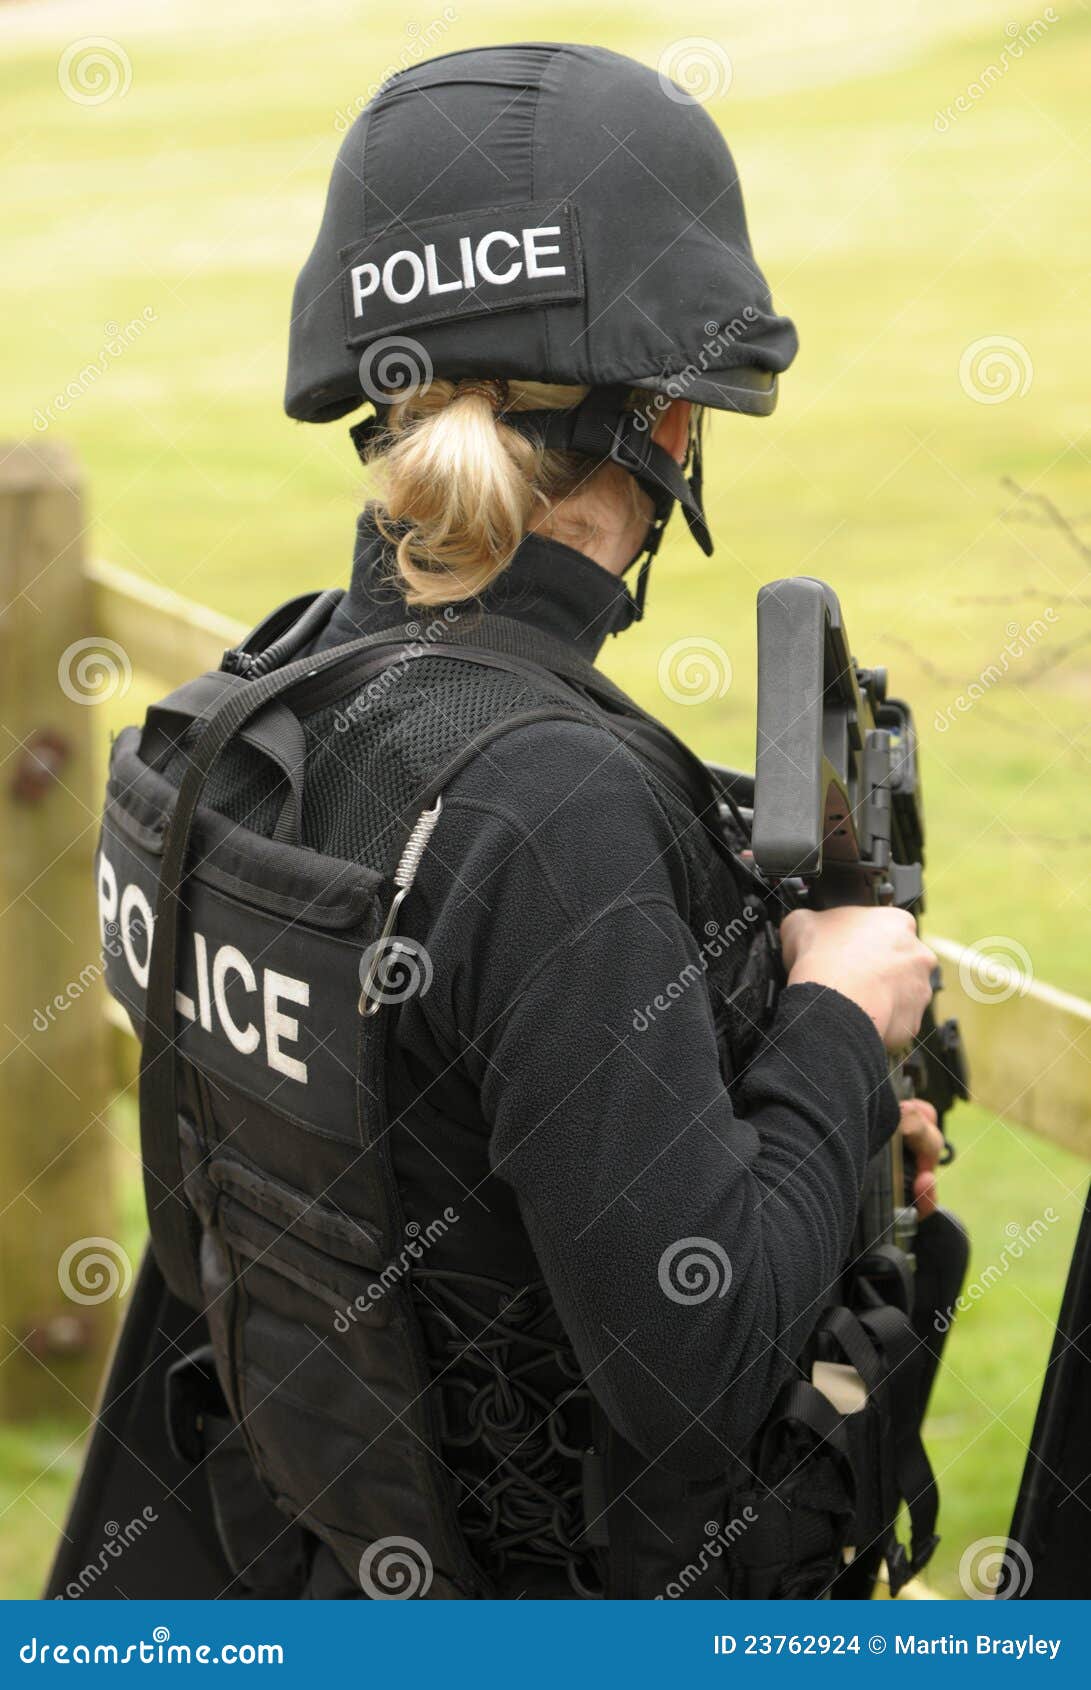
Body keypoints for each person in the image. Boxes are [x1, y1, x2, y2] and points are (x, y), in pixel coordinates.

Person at [92, 42, 944, 1602]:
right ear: (670, 433)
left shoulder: (236, 728)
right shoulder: (549, 810)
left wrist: (778, 1110)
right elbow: (690, 1373)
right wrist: (835, 1020)